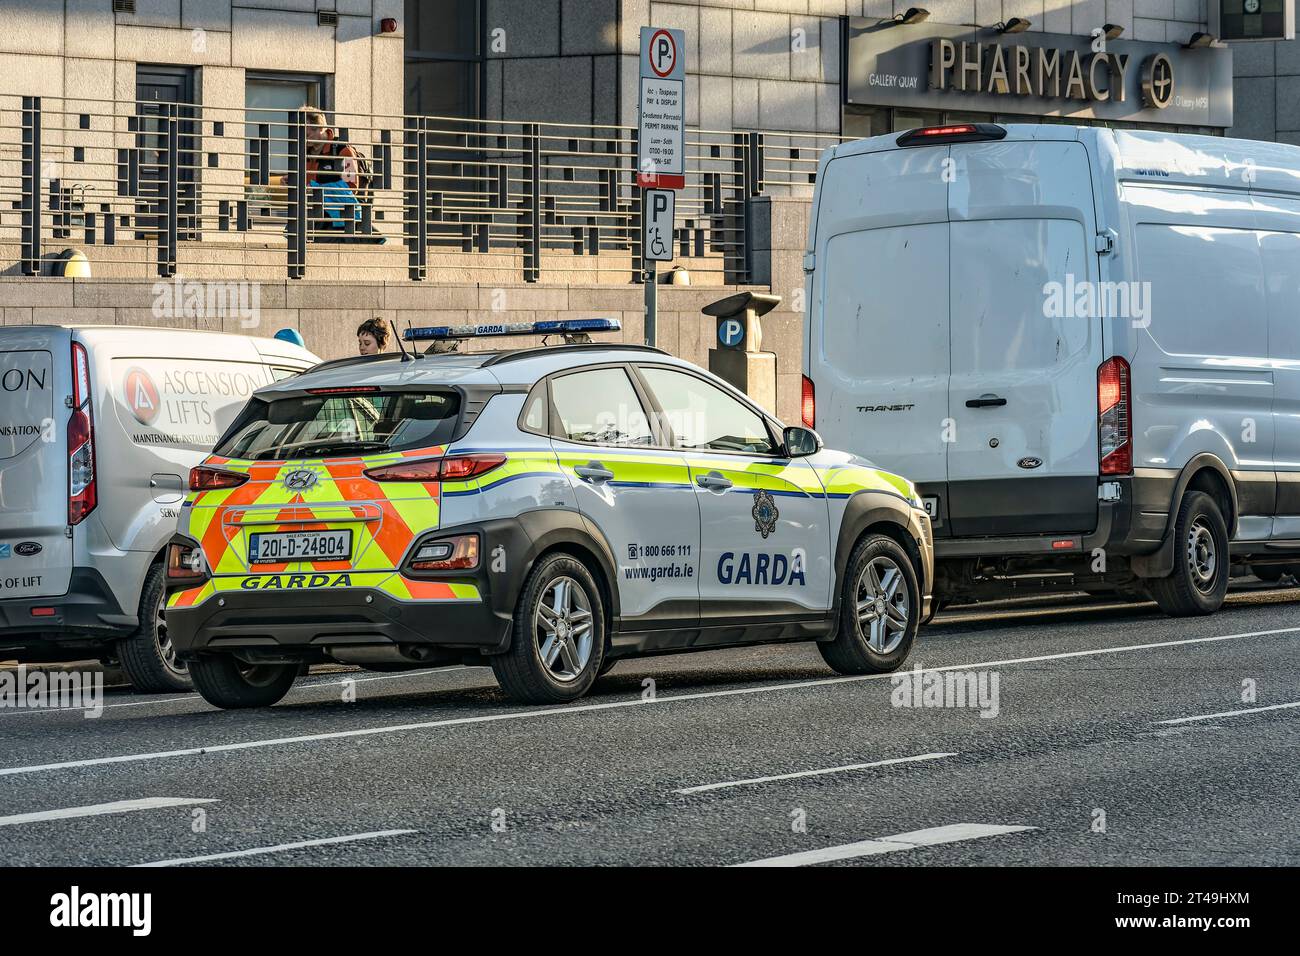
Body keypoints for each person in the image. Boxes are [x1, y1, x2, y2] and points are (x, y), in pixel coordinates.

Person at [303, 109, 361, 230]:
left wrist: (319, 190)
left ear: (320, 128)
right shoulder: (303, 153)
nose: (304, 139)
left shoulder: (343, 150)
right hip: (312, 217)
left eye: (307, 135)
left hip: (340, 221)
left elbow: (352, 185)